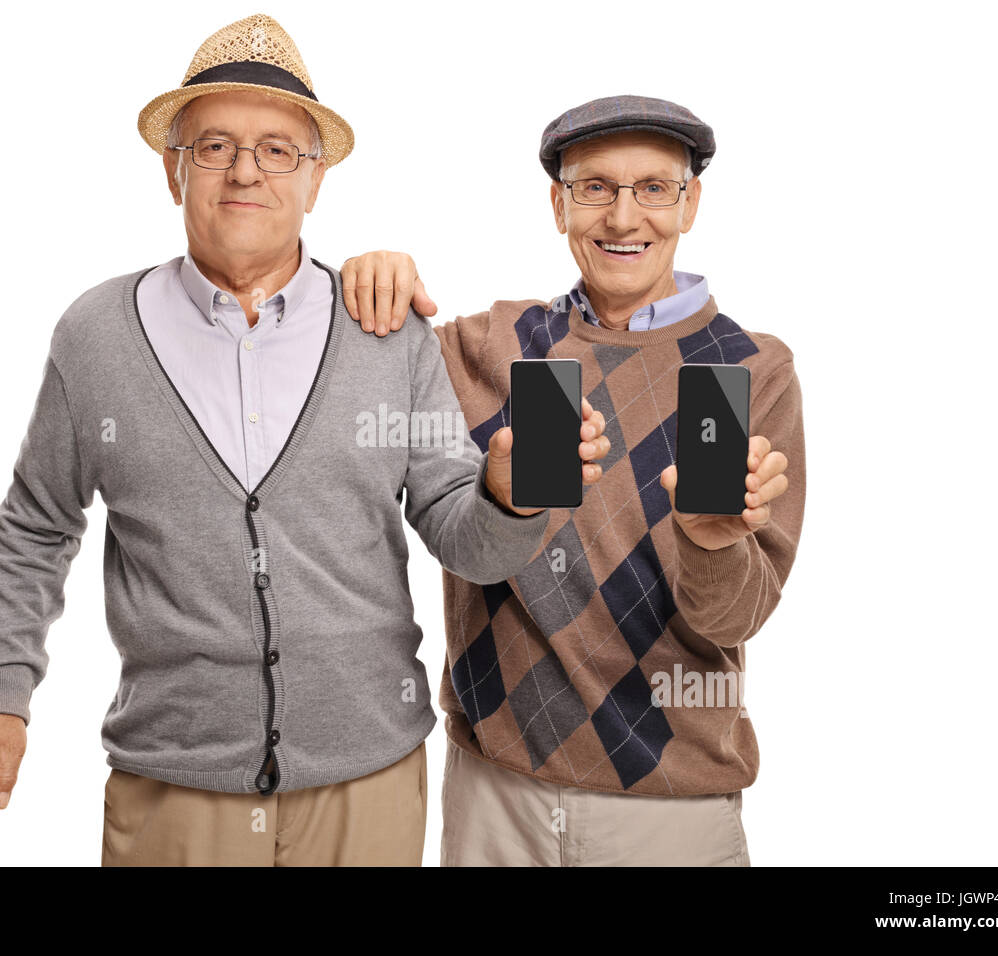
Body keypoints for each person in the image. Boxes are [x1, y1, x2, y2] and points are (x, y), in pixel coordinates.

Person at [0, 14, 611, 867]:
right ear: (172, 169)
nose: (245, 171)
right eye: (215, 146)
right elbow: (37, 527)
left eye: (276, 149)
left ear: (316, 177)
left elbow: (461, 535)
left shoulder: (388, 330)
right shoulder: (95, 336)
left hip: (367, 784)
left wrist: (505, 497)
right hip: (173, 789)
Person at [342, 94, 806, 866]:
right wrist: (368, 275)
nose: (625, 218)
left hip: (673, 811)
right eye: (595, 188)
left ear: (690, 204)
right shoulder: (488, 344)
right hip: (496, 796)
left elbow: (736, 617)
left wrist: (712, 544)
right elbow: (349, 378)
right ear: (559, 205)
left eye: (654, 188)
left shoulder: (752, 367)